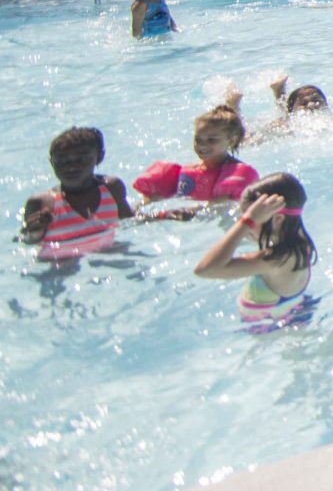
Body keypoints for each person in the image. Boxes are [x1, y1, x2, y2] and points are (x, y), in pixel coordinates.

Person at [193, 173, 316, 329]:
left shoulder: (275, 259)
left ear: (278, 219)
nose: (245, 224)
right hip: (292, 311)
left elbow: (205, 270)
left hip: (272, 329)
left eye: (253, 219)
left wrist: (247, 221)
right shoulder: (299, 242)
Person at [21, 127, 134, 260]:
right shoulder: (43, 203)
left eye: (82, 158)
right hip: (59, 261)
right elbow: (27, 241)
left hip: (106, 253)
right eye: (62, 160)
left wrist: (155, 215)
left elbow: (130, 220)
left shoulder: (111, 189)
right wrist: (35, 233)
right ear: (51, 162)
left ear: (99, 157)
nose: (71, 167)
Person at [134, 104, 259, 207]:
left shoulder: (236, 174)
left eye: (212, 140)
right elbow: (152, 201)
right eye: (198, 139)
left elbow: (215, 208)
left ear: (231, 141)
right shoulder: (187, 172)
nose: (202, 145)